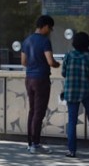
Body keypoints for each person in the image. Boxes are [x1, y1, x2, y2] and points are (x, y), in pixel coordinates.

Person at [20, 14, 60, 154]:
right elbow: (50, 61)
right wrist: (57, 64)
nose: (49, 31)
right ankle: (35, 144)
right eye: (50, 28)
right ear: (45, 26)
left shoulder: (27, 40)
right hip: (41, 79)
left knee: (32, 110)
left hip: (29, 78)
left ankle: (30, 142)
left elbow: (23, 62)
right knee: (39, 112)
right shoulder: (45, 41)